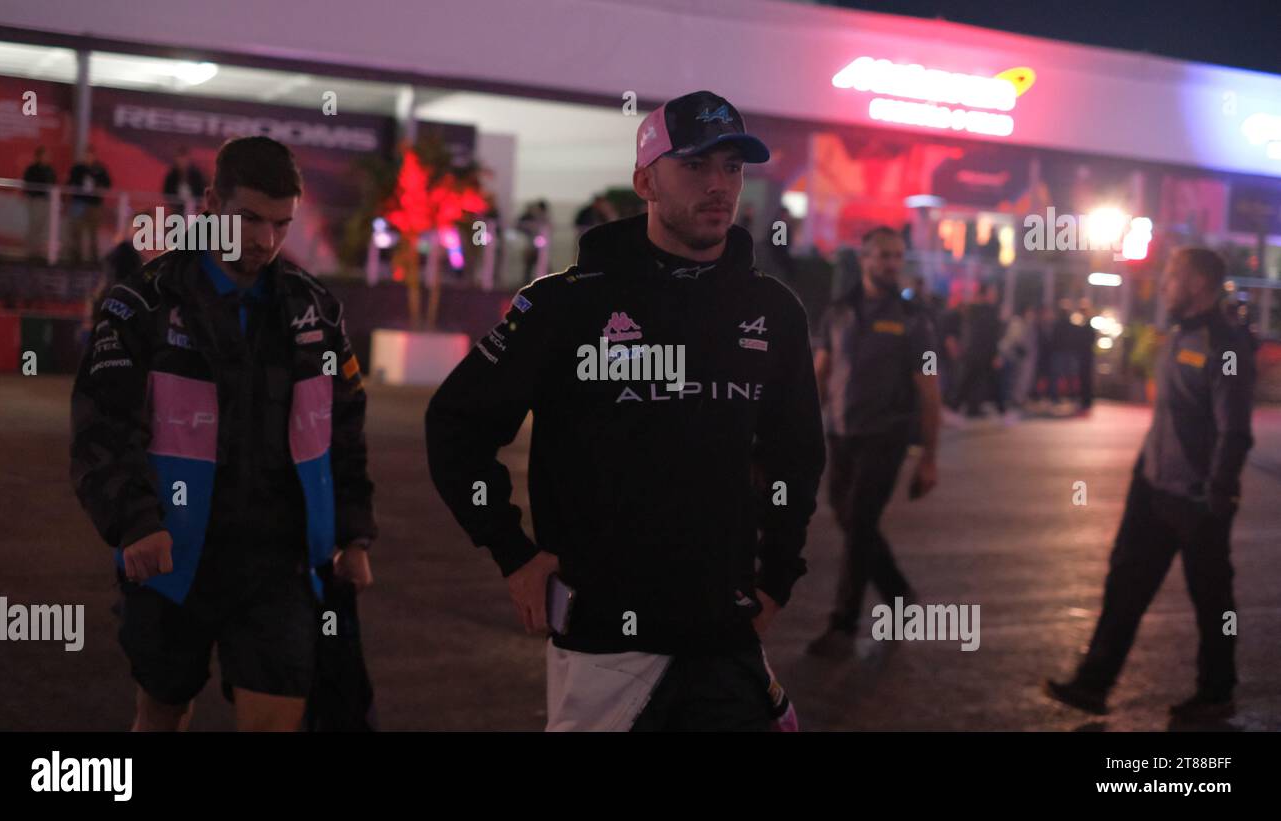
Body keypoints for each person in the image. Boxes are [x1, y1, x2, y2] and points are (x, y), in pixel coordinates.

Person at [426, 90, 825, 731]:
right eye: (695, 166)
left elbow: (796, 456)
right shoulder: (564, 306)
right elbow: (455, 425)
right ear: (645, 180)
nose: (719, 185)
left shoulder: (774, 311)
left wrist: (778, 575)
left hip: (726, 631)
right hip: (605, 643)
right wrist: (511, 551)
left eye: (732, 167)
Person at [70, 136, 378, 731]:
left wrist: (355, 534)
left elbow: (344, 429)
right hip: (172, 555)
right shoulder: (141, 304)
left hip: (280, 564)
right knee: (161, 711)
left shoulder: (316, 309)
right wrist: (136, 523)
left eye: (282, 224)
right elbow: (100, 428)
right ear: (211, 203)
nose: (265, 240)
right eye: (250, 219)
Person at [1045, 247, 1255, 721]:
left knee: (1212, 601)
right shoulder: (1177, 334)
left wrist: (1217, 491)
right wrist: (1144, 470)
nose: (1163, 283)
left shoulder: (1225, 346)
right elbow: (1167, 417)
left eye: (1173, 275)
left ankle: (1217, 692)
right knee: (1125, 586)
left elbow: (1235, 428)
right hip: (1154, 489)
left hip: (1198, 499)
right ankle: (1092, 685)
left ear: (1199, 283)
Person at [806, 225, 940, 657]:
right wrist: (797, 427)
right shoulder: (839, 311)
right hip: (842, 433)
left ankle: (843, 626)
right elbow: (821, 374)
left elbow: (930, 391)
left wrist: (929, 459)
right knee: (847, 519)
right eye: (882, 255)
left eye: (897, 256)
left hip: (887, 434)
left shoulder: (914, 319)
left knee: (860, 523)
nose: (891, 263)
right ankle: (900, 597)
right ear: (863, 259)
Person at [947, 280, 1004, 418]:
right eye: (992, 293)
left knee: (967, 381)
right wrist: (996, 354)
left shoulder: (971, 310)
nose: (994, 296)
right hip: (985, 353)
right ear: (986, 294)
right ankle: (1003, 411)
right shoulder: (989, 311)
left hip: (972, 352)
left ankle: (956, 408)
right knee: (989, 382)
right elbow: (991, 336)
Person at [66, 146, 112, 265]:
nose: (88, 157)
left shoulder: (100, 169)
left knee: (93, 232)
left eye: (90, 155)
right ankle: (76, 257)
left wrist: (98, 187)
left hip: (94, 204)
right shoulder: (78, 168)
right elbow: (70, 182)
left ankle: (93, 258)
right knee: (76, 230)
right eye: (87, 155)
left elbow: (107, 184)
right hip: (79, 203)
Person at [22, 146, 58, 259]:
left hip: (47, 200)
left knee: (43, 226)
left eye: (48, 156)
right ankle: (30, 250)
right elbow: (28, 183)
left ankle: (39, 251)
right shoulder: (32, 169)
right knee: (34, 225)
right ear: (39, 156)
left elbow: (53, 183)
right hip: (36, 200)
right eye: (45, 155)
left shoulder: (50, 169)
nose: (47, 158)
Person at [162, 146, 208, 210]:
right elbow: (166, 192)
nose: (182, 161)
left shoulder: (196, 175)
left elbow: (202, 192)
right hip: (176, 210)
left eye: (184, 158)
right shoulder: (171, 175)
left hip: (193, 209)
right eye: (180, 158)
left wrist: (196, 205)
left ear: (188, 158)